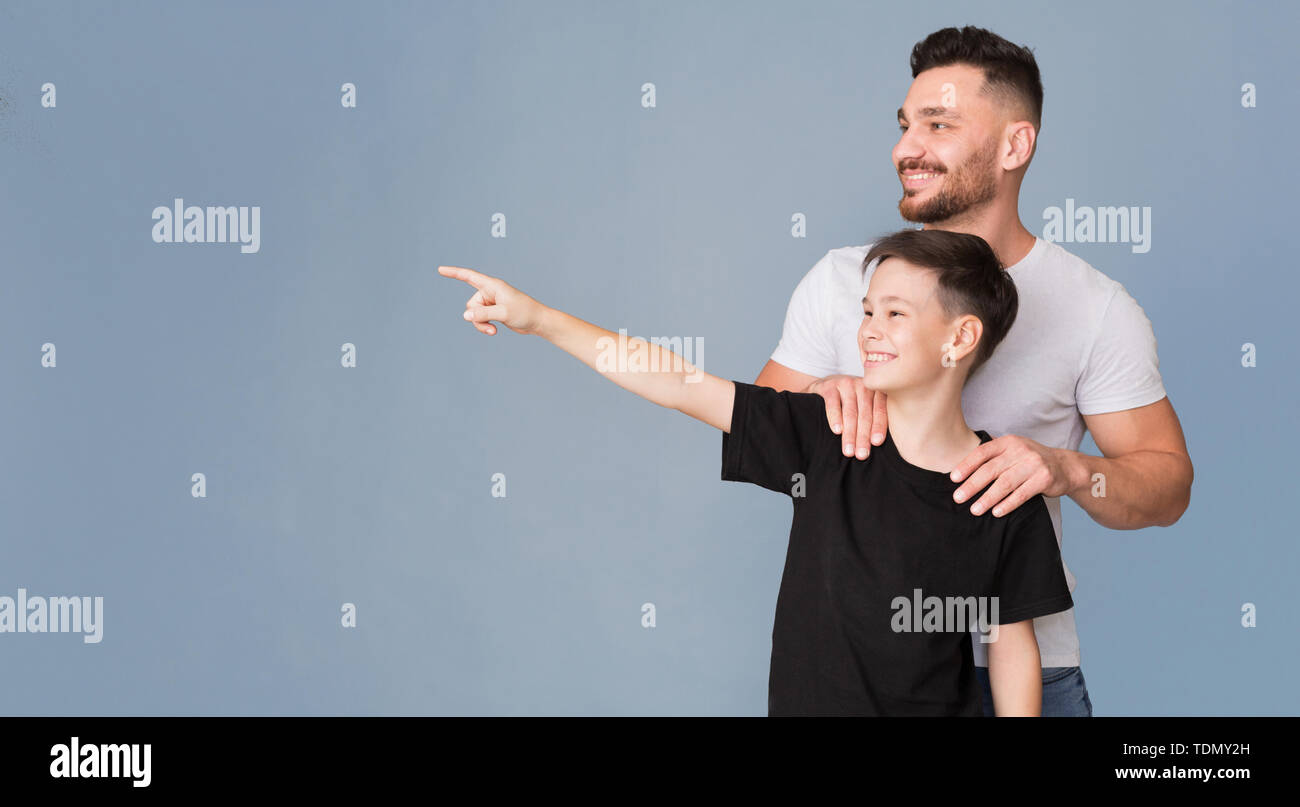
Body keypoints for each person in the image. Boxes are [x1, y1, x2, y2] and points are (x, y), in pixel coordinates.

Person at [438, 225, 1075, 716]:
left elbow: (1010, 640)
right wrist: (541, 319)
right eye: (867, 310)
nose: (868, 331)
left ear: (960, 339)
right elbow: (678, 383)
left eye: (896, 314)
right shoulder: (824, 435)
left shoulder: (1003, 486)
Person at [755, 26, 1194, 716]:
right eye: (905, 125)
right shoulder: (843, 279)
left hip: (1027, 672)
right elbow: (762, 422)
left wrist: (1068, 469)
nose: (906, 147)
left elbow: (1168, 485)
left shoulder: (1096, 308)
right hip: (872, 673)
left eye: (939, 124)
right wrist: (816, 389)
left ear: (1015, 146)